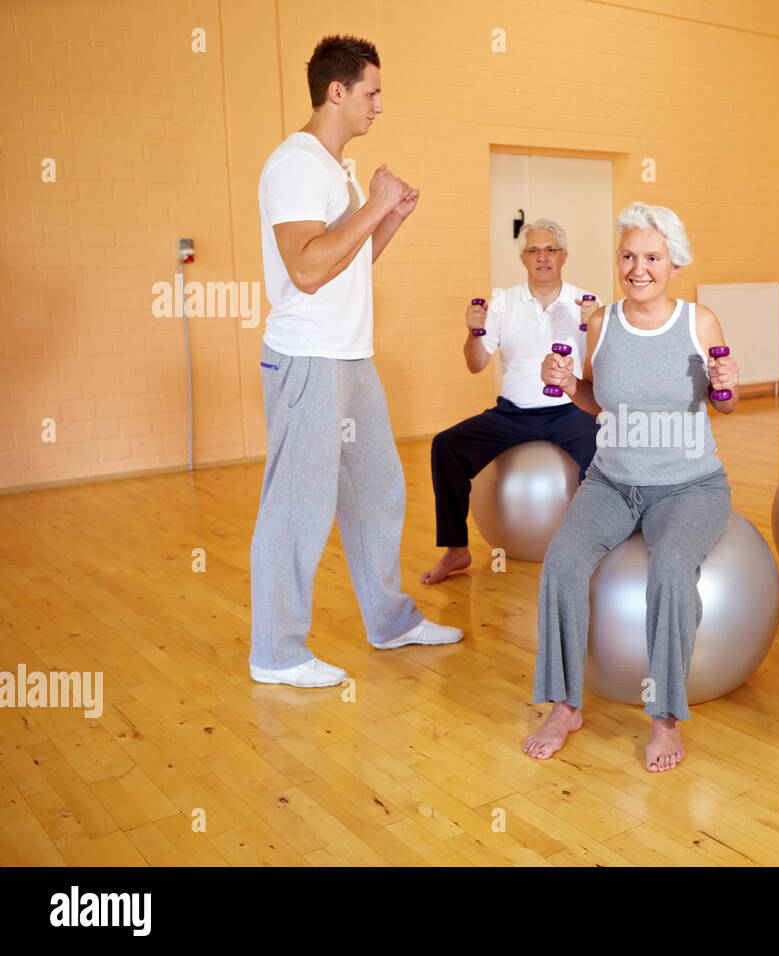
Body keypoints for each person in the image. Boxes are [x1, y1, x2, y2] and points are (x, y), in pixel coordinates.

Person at [249, 35, 462, 689]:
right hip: (307, 358)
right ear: (336, 91)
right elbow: (307, 270)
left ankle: (390, 622)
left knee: (378, 490)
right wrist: (372, 205)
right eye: (371, 92)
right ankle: (276, 653)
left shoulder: (335, 169)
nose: (378, 105)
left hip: (350, 358)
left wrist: (388, 218)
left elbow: (345, 264)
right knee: (298, 507)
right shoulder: (295, 164)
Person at [521, 202, 739, 772]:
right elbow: (597, 400)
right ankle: (565, 706)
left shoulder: (699, 322)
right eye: (628, 257)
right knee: (561, 563)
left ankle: (665, 718)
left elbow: (726, 404)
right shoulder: (600, 323)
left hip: (689, 486)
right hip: (612, 481)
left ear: (674, 264)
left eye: (652, 258)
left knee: (669, 572)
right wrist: (567, 381)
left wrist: (730, 384)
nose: (638, 269)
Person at [419, 219, 598, 585]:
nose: (542, 257)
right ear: (523, 258)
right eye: (534, 250)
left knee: (603, 453)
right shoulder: (503, 303)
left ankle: (591, 549)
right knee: (446, 446)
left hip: (569, 409)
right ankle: (456, 549)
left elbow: (603, 370)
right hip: (512, 414)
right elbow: (475, 364)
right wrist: (473, 332)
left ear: (563, 256)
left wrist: (596, 327)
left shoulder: (587, 303)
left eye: (550, 250)